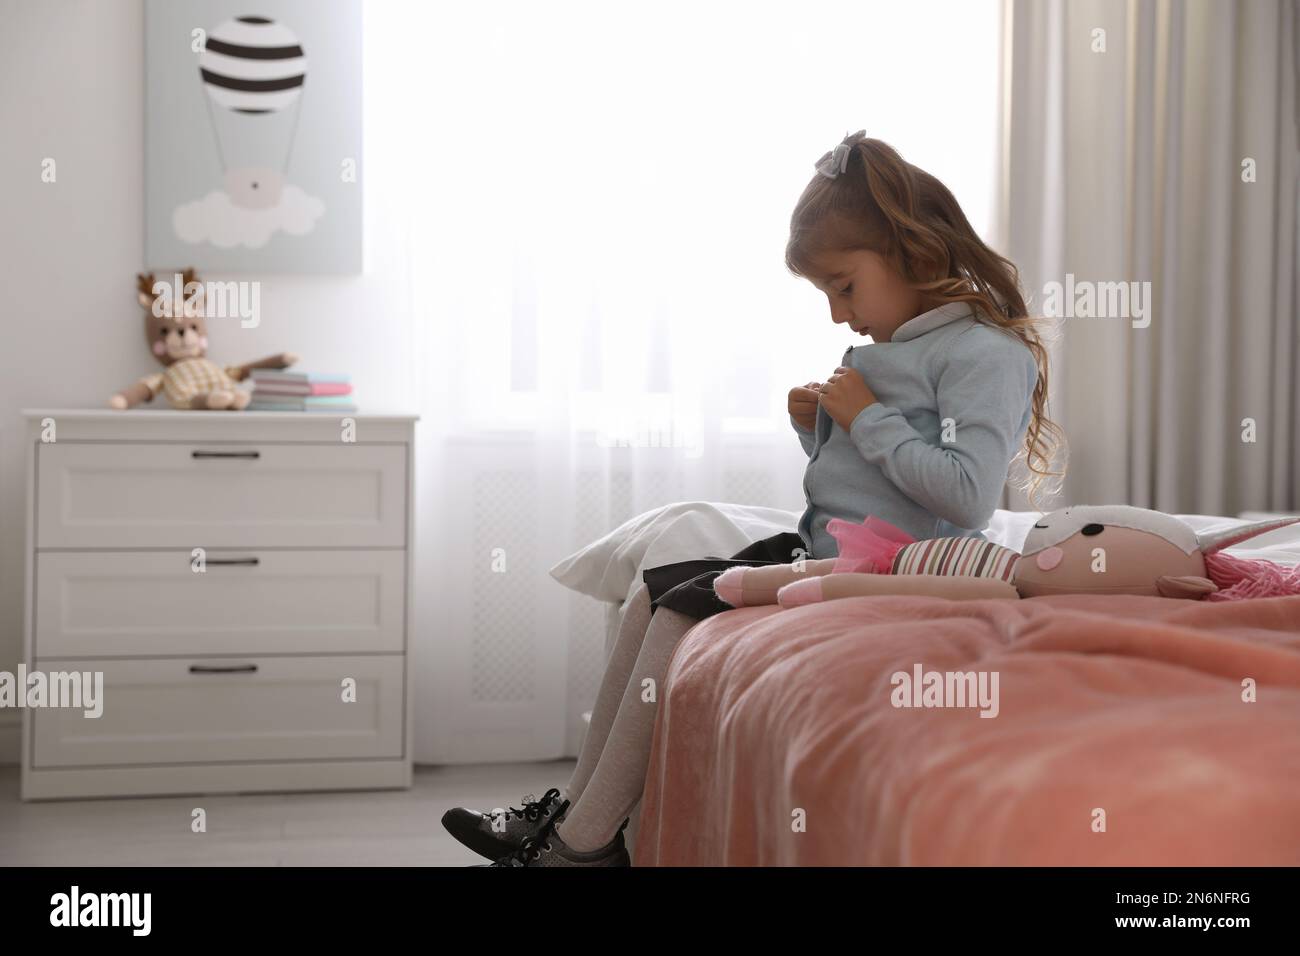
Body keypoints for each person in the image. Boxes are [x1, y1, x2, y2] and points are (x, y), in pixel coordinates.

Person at [442, 131, 1062, 867]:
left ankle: (579, 847)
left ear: (914, 253)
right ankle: (573, 815)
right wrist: (820, 432)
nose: (839, 315)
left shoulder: (985, 355)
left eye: (844, 286)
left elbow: (961, 497)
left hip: (902, 569)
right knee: (652, 596)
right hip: (834, 553)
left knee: (680, 609)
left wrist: (865, 417)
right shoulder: (890, 350)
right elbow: (868, 481)